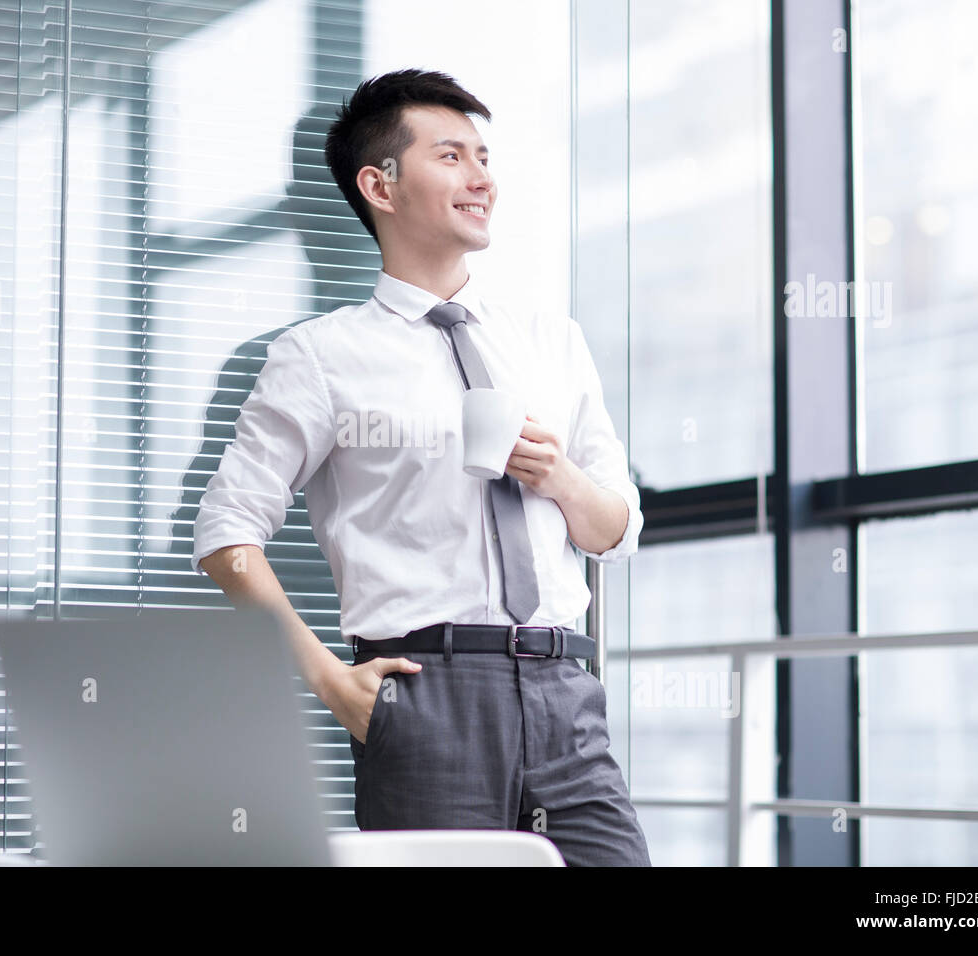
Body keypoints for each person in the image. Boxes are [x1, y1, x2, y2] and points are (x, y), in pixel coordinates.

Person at [191, 68, 650, 866]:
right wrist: (335, 684)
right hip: (425, 693)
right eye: (452, 157)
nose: (483, 179)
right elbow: (225, 535)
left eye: (484, 156)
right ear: (381, 185)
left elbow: (617, 529)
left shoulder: (553, 341)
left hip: (565, 691)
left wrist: (559, 478)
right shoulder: (321, 355)